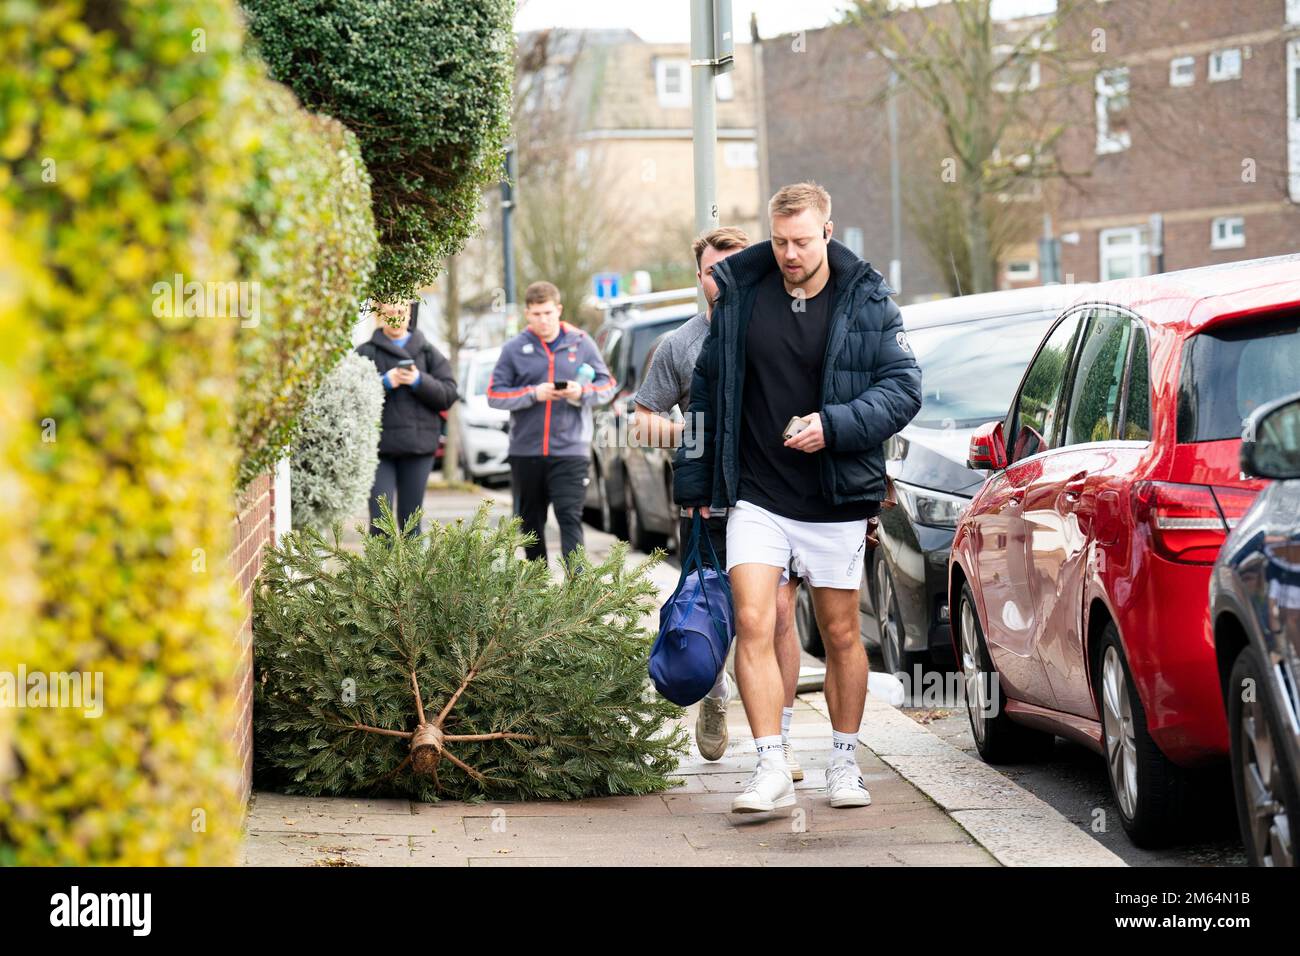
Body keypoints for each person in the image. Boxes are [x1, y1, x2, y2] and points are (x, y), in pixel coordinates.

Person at [673, 182, 922, 813]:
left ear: (828, 234)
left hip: (834, 494)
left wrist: (832, 425)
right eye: (780, 240)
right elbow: (706, 396)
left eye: (802, 241)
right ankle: (769, 765)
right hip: (756, 494)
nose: (789, 253)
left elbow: (902, 388)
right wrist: (696, 487)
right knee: (754, 622)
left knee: (841, 634)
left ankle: (844, 761)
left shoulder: (865, 299)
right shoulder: (741, 295)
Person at [632, 226, 805, 777]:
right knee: (723, 613)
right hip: (710, 504)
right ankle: (713, 685)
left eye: (736, 266)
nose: (725, 278)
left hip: (776, 496)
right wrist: (695, 439)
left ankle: (781, 740)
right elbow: (641, 421)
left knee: (777, 615)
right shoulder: (680, 345)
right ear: (700, 277)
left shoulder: (781, 328)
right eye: (714, 270)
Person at [487, 281, 616, 568]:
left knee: (570, 517)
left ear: (558, 309)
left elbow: (608, 384)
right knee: (530, 526)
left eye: (547, 313)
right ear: (527, 314)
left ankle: (577, 594)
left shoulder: (581, 342)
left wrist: (581, 392)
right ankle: (536, 591)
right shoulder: (515, 348)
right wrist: (534, 394)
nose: (543, 320)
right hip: (526, 452)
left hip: (570, 450)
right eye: (536, 314)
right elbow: (495, 395)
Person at [356, 300, 459, 537]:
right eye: (390, 312)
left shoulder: (428, 352)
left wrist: (418, 380)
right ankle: (379, 573)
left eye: (401, 311)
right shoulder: (366, 352)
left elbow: (448, 394)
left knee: (411, 521)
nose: (396, 316)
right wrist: (383, 383)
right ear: (380, 314)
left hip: (418, 448)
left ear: (410, 312)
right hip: (378, 449)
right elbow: (349, 396)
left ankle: (413, 574)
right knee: (380, 523)